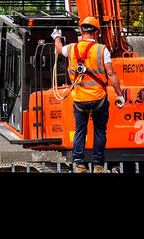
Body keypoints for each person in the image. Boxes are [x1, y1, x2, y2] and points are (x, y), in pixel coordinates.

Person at [53, 16, 124, 173]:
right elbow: (111, 74)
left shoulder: (71, 49)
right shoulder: (101, 50)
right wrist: (119, 94)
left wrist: (56, 36)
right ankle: (98, 165)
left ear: (82, 31)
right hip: (98, 98)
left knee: (80, 131)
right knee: (99, 130)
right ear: (97, 32)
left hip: (79, 100)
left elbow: (59, 48)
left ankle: (79, 164)